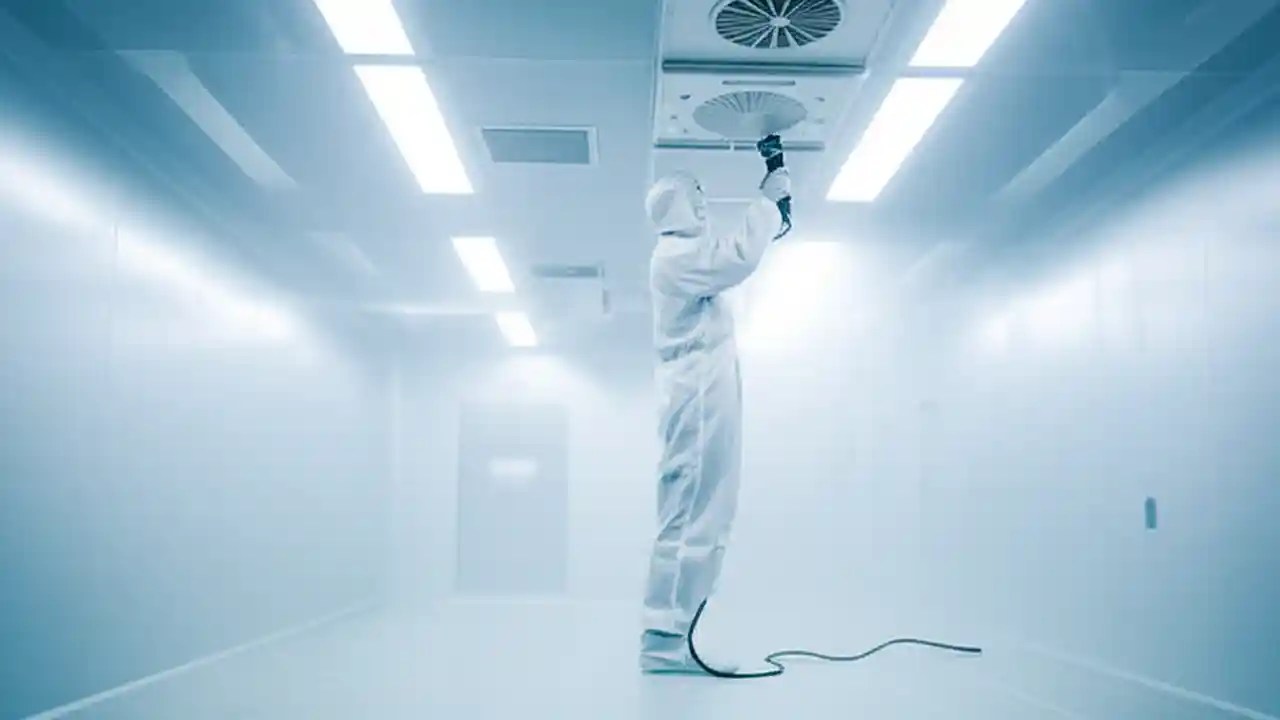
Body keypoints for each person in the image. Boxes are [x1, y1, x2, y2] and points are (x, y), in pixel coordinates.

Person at [639, 164, 792, 674]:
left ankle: (678, 637)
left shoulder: (684, 256)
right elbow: (735, 259)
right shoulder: (673, 258)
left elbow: (726, 260)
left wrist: (769, 214)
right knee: (690, 514)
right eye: (696, 194)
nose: (703, 203)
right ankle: (665, 643)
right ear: (674, 206)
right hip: (698, 398)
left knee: (707, 507)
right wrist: (766, 204)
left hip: (705, 391)